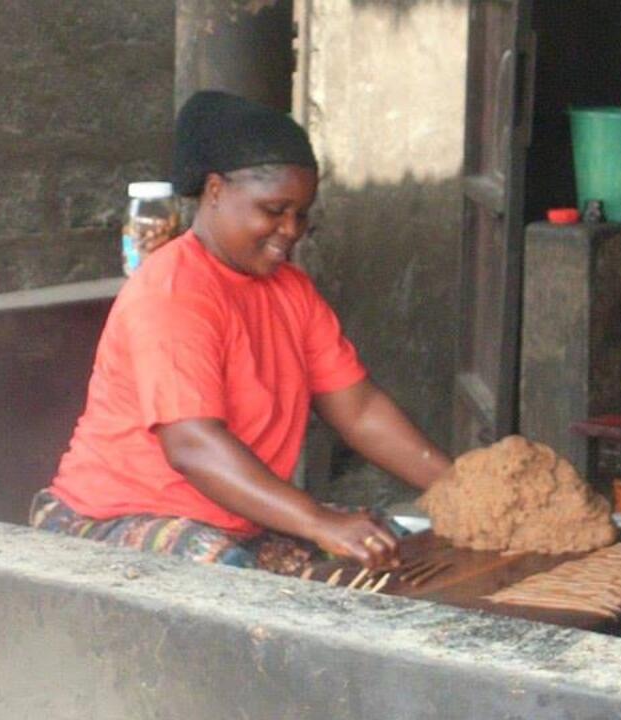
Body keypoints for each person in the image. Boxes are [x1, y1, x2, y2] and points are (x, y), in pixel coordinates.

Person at [29, 91, 452, 574]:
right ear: (215, 191)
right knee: (231, 577)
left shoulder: (292, 290)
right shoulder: (174, 292)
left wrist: (461, 488)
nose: (290, 229)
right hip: (108, 519)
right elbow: (192, 446)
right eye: (274, 210)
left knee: (384, 546)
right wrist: (318, 520)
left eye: (301, 213)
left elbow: (358, 410)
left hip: (233, 521)